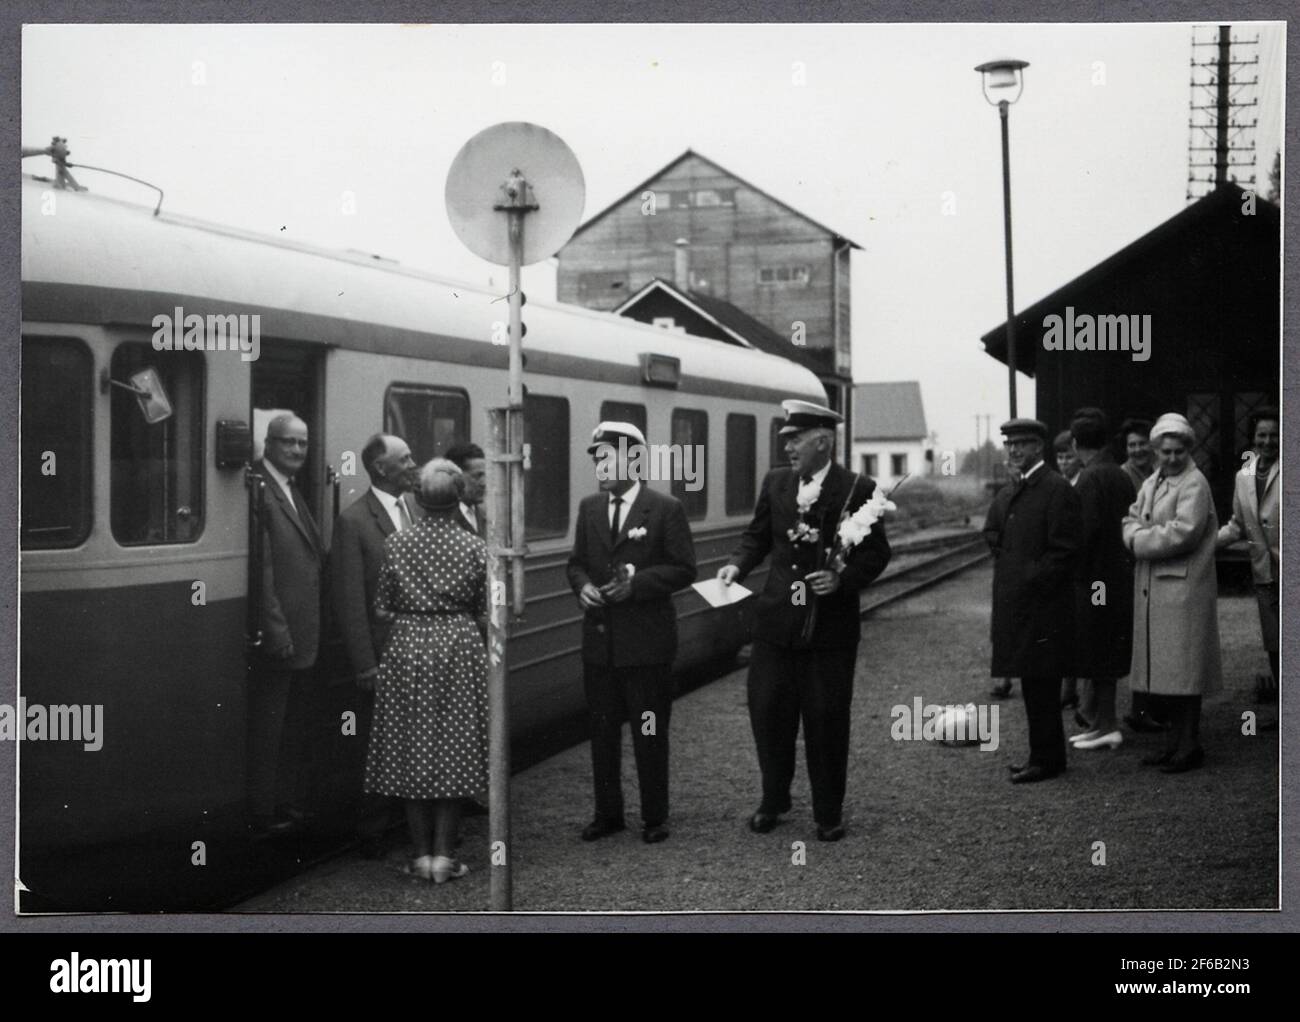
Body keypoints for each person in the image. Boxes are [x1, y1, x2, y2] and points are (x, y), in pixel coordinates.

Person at [718, 400, 890, 840]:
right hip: (776, 625)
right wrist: (737, 565)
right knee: (768, 714)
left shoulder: (858, 488)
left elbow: (876, 554)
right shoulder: (776, 483)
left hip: (828, 631)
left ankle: (827, 812)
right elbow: (756, 537)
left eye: (795, 440)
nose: (788, 448)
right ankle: (774, 799)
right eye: (786, 441)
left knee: (826, 719)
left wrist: (843, 579)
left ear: (823, 441)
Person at [566, 422, 697, 844]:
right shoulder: (589, 508)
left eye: (607, 457)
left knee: (648, 730)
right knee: (602, 732)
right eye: (597, 459)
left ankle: (654, 817)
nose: (600, 467)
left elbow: (683, 568)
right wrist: (582, 585)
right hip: (600, 646)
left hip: (646, 647)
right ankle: (608, 814)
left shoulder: (664, 508)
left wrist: (636, 586)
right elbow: (576, 563)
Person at [364, 459, 488, 882]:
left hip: (408, 648)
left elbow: (381, 607)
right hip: (458, 646)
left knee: (410, 750)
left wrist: (411, 617)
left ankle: (419, 856)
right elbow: (483, 610)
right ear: (457, 502)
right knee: (455, 749)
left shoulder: (396, 543)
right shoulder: (475, 547)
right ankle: (444, 857)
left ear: (417, 501)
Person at [330, 433, 418, 857]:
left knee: (413, 739)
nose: (413, 464)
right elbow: (349, 600)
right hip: (382, 656)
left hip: (416, 650)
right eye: (405, 459)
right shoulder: (354, 521)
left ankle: (405, 820)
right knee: (376, 744)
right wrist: (365, 664)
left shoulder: (413, 510)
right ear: (381, 468)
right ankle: (372, 830)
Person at [1123, 413, 1223, 773]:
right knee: (1167, 674)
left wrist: (1138, 540)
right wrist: (1135, 532)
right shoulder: (1153, 481)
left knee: (1185, 673)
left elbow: (1184, 532)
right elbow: (1130, 517)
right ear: (1156, 451)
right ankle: (1173, 744)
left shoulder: (1194, 484)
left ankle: (1189, 745)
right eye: (1165, 451)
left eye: (1179, 451)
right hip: (1159, 590)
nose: (1172, 458)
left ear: (1188, 450)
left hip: (1183, 591)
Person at [985, 418, 1081, 784]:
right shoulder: (1018, 487)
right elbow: (992, 528)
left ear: (1038, 447)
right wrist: (1008, 558)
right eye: (1009, 445)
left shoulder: (1055, 489)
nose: (1013, 451)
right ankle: (1041, 755)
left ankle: (1047, 759)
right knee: (1031, 683)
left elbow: (1066, 550)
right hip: (1020, 606)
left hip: (1044, 607)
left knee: (1042, 684)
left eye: (1021, 444)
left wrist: (1028, 575)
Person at [248, 414, 326, 836]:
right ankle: (265, 809)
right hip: (282, 633)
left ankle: (284, 801)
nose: (297, 451)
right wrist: (276, 630)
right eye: (288, 443)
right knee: (272, 724)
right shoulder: (259, 487)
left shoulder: (288, 489)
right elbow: (263, 570)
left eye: (303, 443)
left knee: (290, 723)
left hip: (302, 631)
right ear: (269, 443)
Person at [1066, 409, 1136, 752]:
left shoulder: (1090, 478)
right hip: (1117, 574)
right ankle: (1100, 722)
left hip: (1095, 580)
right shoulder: (1120, 475)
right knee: (1105, 645)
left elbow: (1085, 532)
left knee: (1096, 644)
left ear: (1076, 443)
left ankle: (1106, 724)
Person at [1217, 408, 1280, 707]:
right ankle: (1284, 710)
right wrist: (1205, 544)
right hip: (1264, 572)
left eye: (1274, 435)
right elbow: (1237, 525)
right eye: (1262, 435)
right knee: (1274, 643)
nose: (1268, 442)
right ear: (1253, 439)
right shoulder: (1243, 477)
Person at [1115, 417, 1166, 735]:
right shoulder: (1124, 477)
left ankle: (1155, 704)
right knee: (1139, 638)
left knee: (1158, 636)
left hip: (1156, 561)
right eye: (1131, 445)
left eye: (1142, 444)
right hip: (1132, 564)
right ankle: (1140, 708)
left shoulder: (1158, 473)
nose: (1137, 450)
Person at [445, 441, 488, 536]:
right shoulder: (445, 519)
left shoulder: (485, 517)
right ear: (456, 476)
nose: (484, 483)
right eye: (477, 476)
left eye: (485, 476)